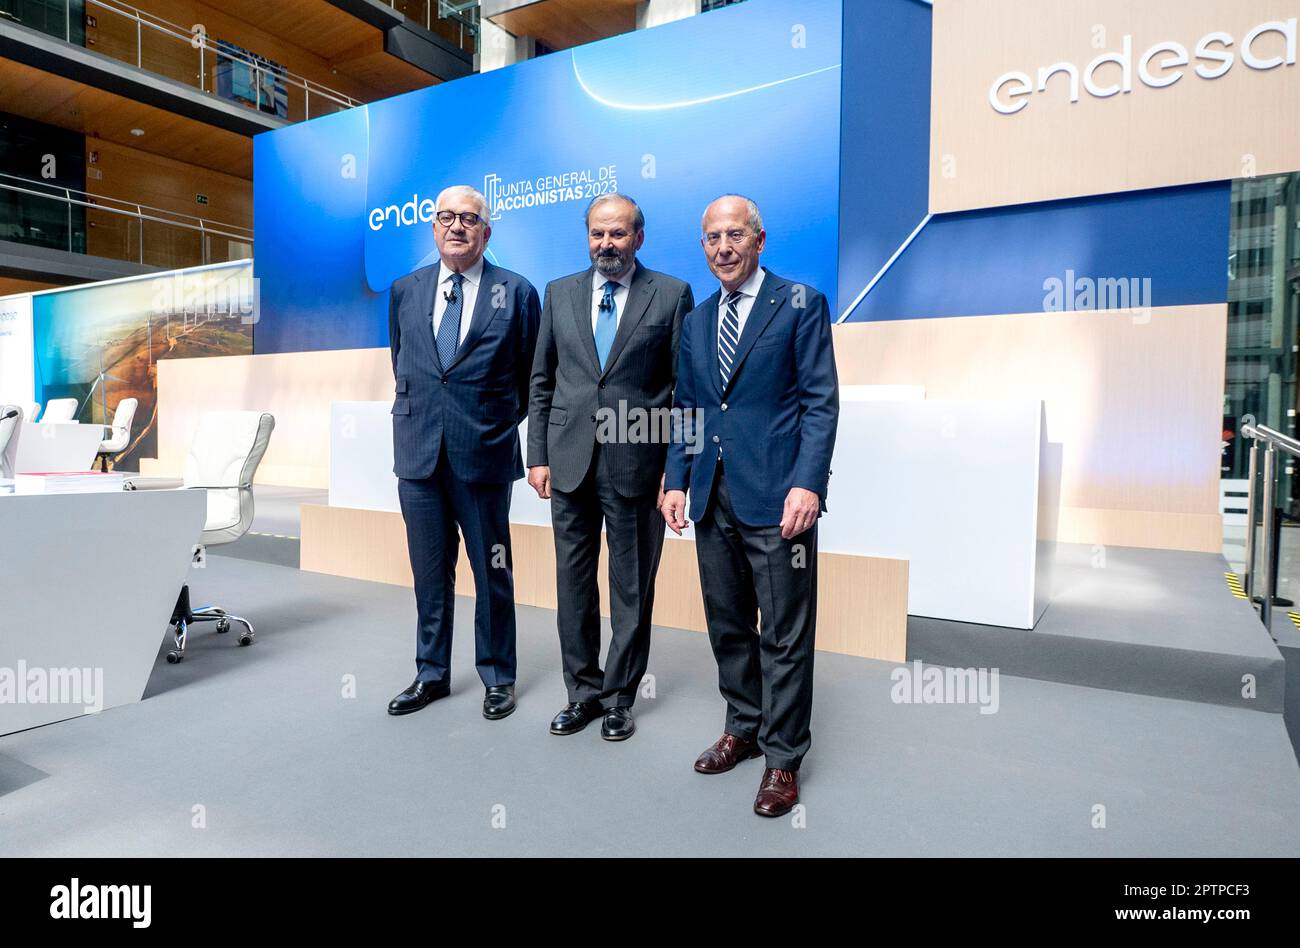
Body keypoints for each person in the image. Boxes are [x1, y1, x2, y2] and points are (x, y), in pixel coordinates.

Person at [662, 194, 839, 817]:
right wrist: (676, 480)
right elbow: (688, 407)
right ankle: (743, 726)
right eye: (712, 238)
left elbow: (820, 402)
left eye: (735, 235)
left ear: (760, 240)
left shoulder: (800, 304)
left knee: (785, 633)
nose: (723, 247)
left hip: (779, 497)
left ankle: (783, 759)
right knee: (728, 622)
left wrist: (808, 482)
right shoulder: (697, 319)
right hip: (712, 496)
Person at [527, 193, 694, 740]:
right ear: (587, 235)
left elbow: (684, 393)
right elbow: (542, 381)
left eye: (618, 234)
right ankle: (582, 691)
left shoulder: (671, 295)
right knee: (572, 583)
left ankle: (620, 696)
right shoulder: (559, 293)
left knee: (631, 588)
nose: (607, 244)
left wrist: (676, 474)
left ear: (638, 238)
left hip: (636, 466)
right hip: (569, 463)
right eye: (598, 233)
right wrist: (538, 455)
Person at [386, 185, 540, 721]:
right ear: (433, 227)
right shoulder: (405, 290)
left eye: (469, 219)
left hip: (483, 454)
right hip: (419, 455)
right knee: (429, 573)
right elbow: (404, 362)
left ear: (486, 232)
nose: (457, 226)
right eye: (446, 217)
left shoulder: (515, 292)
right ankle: (431, 673)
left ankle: (498, 675)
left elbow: (529, 379)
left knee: (491, 570)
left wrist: (487, 422)